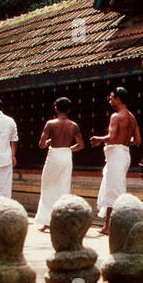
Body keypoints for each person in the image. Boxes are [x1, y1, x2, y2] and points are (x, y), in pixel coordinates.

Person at [90, 86, 140, 235]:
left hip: (117, 155)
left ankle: (114, 225)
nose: (110, 100)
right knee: (114, 188)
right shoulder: (132, 117)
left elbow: (111, 137)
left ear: (118, 99)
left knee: (115, 190)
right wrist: (123, 142)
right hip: (124, 154)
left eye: (111, 97)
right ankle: (108, 226)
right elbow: (137, 140)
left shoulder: (116, 116)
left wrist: (98, 139)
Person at [35, 97, 85, 230]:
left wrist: (49, 142)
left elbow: (41, 145)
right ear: (68, 110)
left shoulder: (50, 124)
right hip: (66, 155)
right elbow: (81, 145)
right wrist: (68, 149)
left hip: (54, 155)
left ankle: (46, 221)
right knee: (63, 187)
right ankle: (61, 221)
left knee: (47, 187)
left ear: (55, 108)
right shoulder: (74, 125)